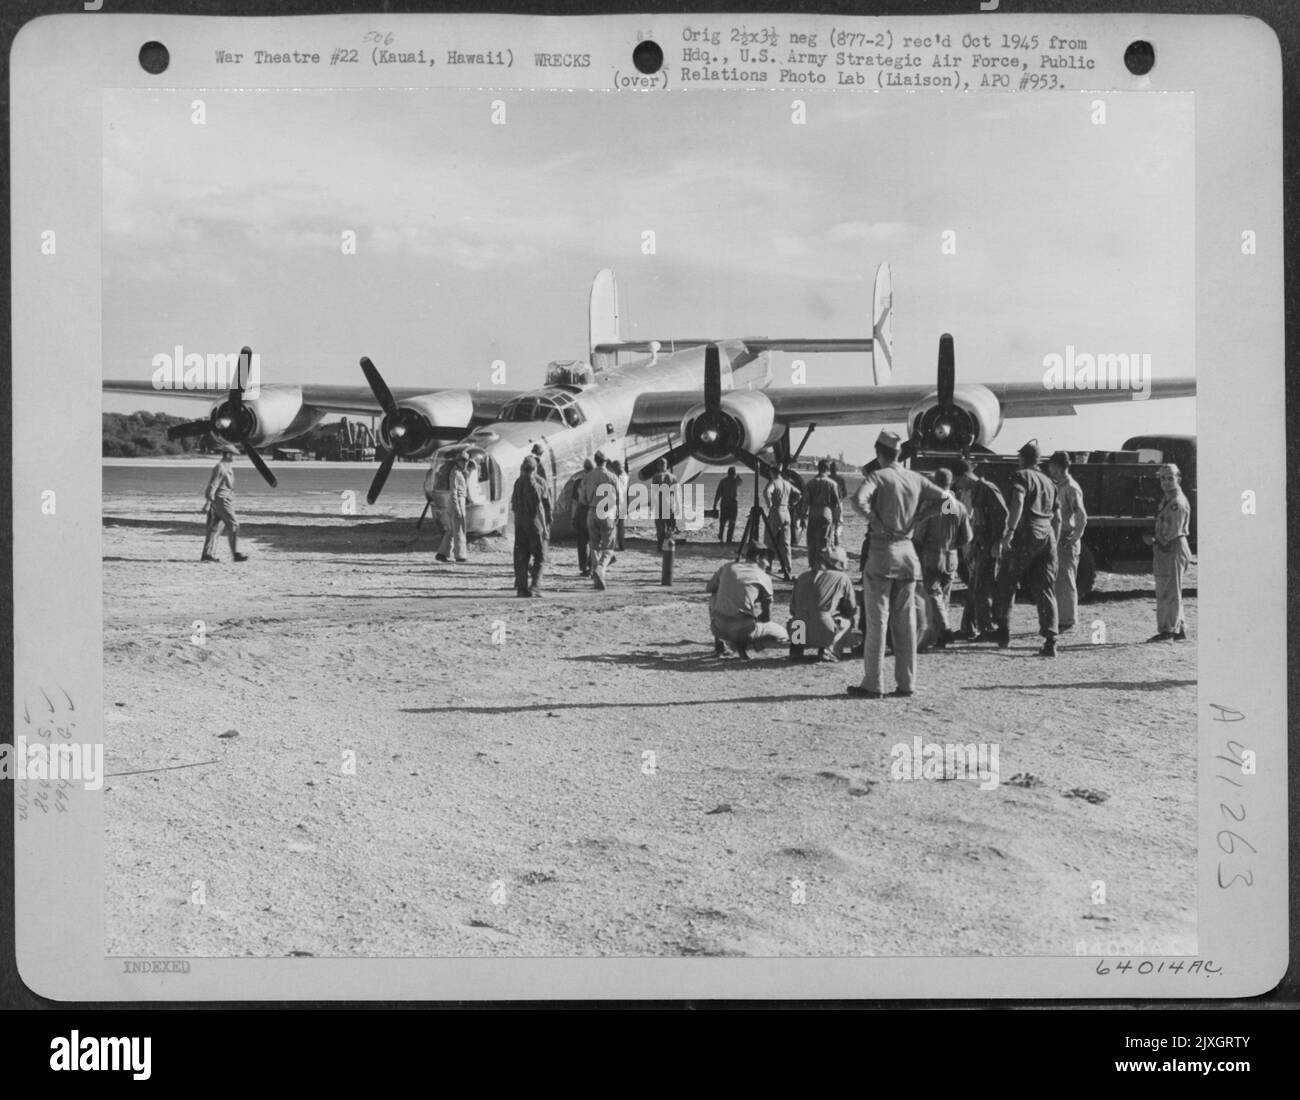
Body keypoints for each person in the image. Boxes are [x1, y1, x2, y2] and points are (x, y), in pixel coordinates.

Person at [846, 430, 951, 698]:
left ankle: (873, 683)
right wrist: (920, 517)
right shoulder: (914, 478)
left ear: (877, 451)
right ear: (899, 453)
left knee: (877, 623)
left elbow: (858, 500)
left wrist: (875, 521)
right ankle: (907, 683)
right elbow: (946, 499)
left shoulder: (878, 477)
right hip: (909, 555)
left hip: (882, 553)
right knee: (906, 623)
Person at [994, 441, 1061, 657]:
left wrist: (1009, 532)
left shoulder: (1021, 476)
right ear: (1039, 461)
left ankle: (1003, 632)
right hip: (1047, 533)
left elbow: (1018, 501)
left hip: (1026, 530)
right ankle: (1051, 639)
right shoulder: (1051, 482)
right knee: (1045, 587)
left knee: (1007, 580)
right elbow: (1058, 518)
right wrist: (1054, 543)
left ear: (1022, 458)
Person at [912, 468, 973, 650]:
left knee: (933, 594)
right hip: (952, 557)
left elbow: (919, 534)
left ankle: (944, 629)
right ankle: (939, 637)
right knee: (944, 596)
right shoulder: (960, 507)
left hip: (932, 555)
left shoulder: (930, 506)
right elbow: (967, 537)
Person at [953, 458, 1008, 642]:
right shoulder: (972, 491)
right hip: (979, 544)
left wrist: (998, 542)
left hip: (989, 545)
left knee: (981, 588)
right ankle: (968, 627)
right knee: (974, 587)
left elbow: (1003, 515)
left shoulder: (986, 489)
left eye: (958, 480)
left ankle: (986, 629)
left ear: (964, 476)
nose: (957, 485)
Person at [705, 543, 789, 659]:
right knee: (784, 634)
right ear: (758, 558)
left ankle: (728, 644)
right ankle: (742, 645)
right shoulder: (763, 576)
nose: (769, 564)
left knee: (714, 595)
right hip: (744, 630)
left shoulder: (728, 567)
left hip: (718, 628)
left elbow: (709, 588)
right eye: (767, 559)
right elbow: (767, 617)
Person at [788, 546, 857, 662]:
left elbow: (793, 609)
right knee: (848, 620)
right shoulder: (842, 578)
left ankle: (796, 650)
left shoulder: (802, 576)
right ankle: (830, 650)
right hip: (823, 629)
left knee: (798, 617)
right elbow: (851, 609)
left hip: (797, 630)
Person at [1149, 463, 1192, 642]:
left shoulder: (1176, 502)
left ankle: (1168, 631)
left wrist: (1157, 542)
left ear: (1178, 479)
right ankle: (1178, 628)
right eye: (1163, 478)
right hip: (1170, 546)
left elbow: (1172, 530)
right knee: (1171, 589)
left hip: (1172, 546)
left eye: (1170, 478)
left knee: (1169, 591)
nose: (1166, 482)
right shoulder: (1168, 498)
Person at [1047, 450, 1088, 633]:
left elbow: (1081, 515)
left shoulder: (1071, 487)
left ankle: (1068, 619)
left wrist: (1076, 536)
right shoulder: (1061, 486)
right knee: (1060, 579)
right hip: (1060, 536)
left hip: (1066, 537)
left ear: (1057, 467)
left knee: (1066, 579)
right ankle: (1062, 617)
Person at [510, 456, 552, 596]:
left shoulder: (517, 482)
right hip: (534, 524)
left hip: (519, 523)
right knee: (540, 556)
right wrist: (545, 529)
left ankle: (521, 589)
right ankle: (535, 586)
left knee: (522, 556)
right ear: (535, 469)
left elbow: (513, 506)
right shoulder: (536, 484)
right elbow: (540, 508)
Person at [579, 450, 620, 590]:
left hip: (591, 511)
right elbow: (620, 498)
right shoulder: (612, 477)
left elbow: (582, 499)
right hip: (607, 512)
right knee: (608, 548)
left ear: (595, 461)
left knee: (594, 547)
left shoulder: (587, 477)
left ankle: (597, 579)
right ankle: (600, 570)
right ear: (605, 461)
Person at [200, 446, 249, 563]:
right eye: (233, 455)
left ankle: (207, 555)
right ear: (227, 454)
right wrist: (208, 502)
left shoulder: (227, 467)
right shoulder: (220, 467)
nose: (234, 458)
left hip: (223, 499)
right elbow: (212, 485)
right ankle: (235, 553)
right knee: (234, 524)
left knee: (215, 528)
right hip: (222, 500)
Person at [801, 459, 843, 570]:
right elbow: (836, 505)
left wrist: (802, 517)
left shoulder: (810, 483)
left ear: (818, 468)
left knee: (812, 543)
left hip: (813, 513)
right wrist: (837, 520)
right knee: (824, 543)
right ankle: (822, 568)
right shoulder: (832, 484)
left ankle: (813, 567)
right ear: (828, 469)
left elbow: (805, 502)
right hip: (826, 512)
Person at [762, 465, 796, 580]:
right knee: (786, 542)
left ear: (772, 473)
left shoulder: (774, 482)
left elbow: (767, 492)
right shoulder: (787, 483)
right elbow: (798, 494)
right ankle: (788, 566)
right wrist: (792, 504)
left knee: (770, 540)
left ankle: (768, 565)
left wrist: (769, 504)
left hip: (776, 511)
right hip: (786, 512)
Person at [436, 453, 471, 562]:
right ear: (458, 461)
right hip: (456, 502)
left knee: (451, 530)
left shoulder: (460, 473)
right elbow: (454, 491)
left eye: (466, 461)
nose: (465, 463)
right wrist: (457, 508)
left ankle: (442, 553)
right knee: (459, 530)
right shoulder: (456, 473)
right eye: (463, 460)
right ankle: (460, 556)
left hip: (457, 502)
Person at [571, 457, 595, 575]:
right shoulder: (597, 481)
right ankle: (592, 567)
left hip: (581, 513)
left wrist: (573, 517)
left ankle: (583, 567)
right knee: (593, 541)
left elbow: (575, 503)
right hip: (594, 512)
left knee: (582, 542)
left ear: (584, 468)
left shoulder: (578, 481)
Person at [651, 458, 679, 551]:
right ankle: (669, 546)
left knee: (660, 528)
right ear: (666, 465)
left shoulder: (656, 476)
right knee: (670, 526)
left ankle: (660, 547)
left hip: (659, 504)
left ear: (659, 466)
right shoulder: (673, 477)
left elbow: (654, 492)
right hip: (669, 504)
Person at [713, 466, 742, 544]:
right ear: (734, 473)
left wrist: (715, 504)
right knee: (732, 522)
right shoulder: (735, 481)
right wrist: (738, 477)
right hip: (733, 503)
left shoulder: (723, 481)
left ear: (728, 473)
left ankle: (721, 537)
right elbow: (740, 483)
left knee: (723, 521)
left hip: (724, 502)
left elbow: (718, 493)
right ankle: (729, 539)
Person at [609, 459, 629, 551]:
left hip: (618, 503)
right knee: (621, 525)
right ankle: (621, 544)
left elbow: (617, 490)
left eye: (613, 468)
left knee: (615, 525)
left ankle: (616, 544)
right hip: (623, 503)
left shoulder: (619, 477)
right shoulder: (625, 476)